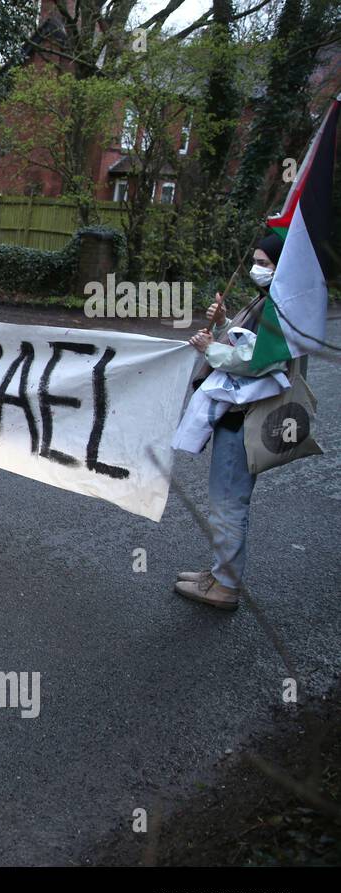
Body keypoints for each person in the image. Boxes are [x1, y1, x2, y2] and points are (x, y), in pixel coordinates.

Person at [172, 233, 290, 610]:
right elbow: (242, 345)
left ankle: (225, 586)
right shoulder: (267, 300)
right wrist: (223, 324)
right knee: (225, 499)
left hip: (244, 420)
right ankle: (220, 572)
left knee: (228, 503)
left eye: (266, 263)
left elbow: (257, 361)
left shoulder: (279, 308)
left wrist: (211, 348)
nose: (258, 269)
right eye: (256, 261)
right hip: (237, 416)